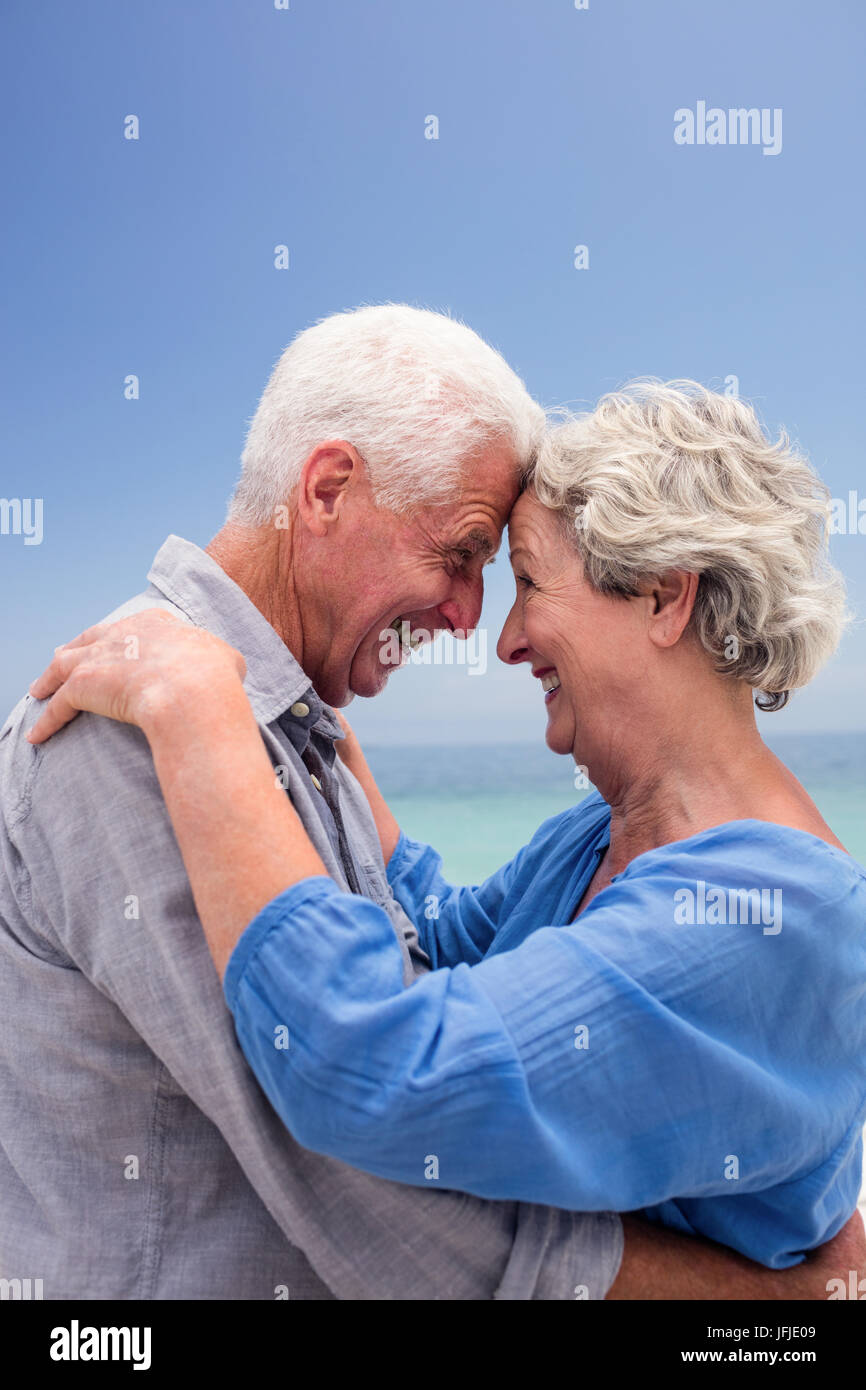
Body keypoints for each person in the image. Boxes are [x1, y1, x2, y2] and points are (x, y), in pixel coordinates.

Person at [8, 305, 837, 1303]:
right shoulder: (149, 722)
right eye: (467, 556)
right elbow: (441, 942)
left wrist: (772, 1312)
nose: (490, 631)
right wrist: (310, 736)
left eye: (520, 578)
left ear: (663, 597)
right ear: (326, 492)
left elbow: (377, 1071)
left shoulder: (765, 914)